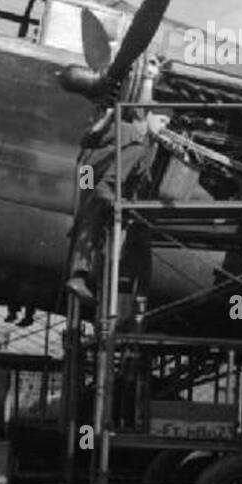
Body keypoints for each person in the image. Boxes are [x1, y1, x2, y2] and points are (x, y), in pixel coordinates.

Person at [64, 58, 166, 305]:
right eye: (162, 121)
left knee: (86, 215)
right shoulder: (135, 132)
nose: (165, 126)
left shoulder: (135, 130)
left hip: (88, 169)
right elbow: (91, 139)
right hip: (91, 169)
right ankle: (79, 276)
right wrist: (150, 78)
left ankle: (79, 275)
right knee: (90, 210)